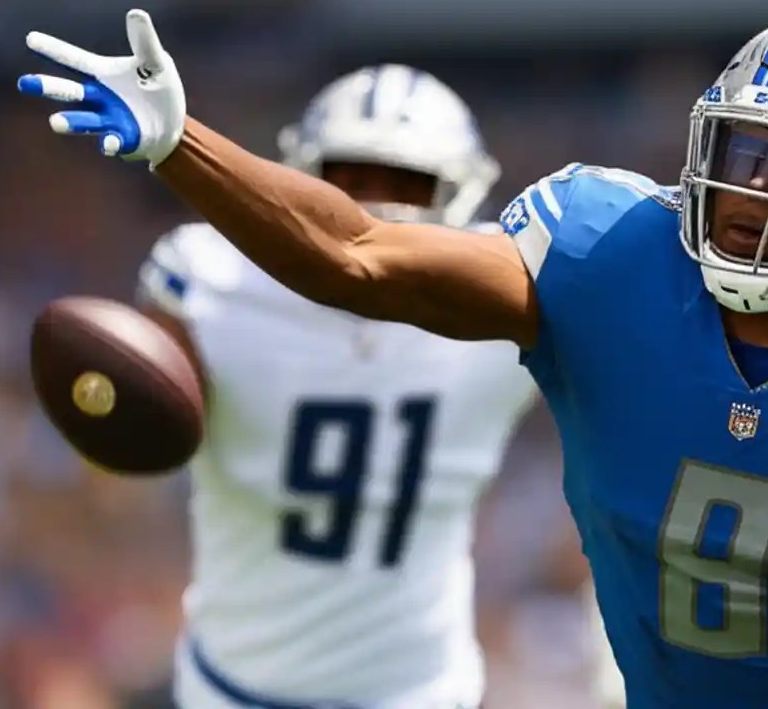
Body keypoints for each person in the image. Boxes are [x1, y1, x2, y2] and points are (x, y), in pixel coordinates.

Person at [17, 8, 768, 708]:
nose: (753, 193)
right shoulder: (603, 254)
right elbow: (366, 255)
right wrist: (186, 146)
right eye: (744, 153)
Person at [135, 63, 537, 708]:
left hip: (416, 692)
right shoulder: (209, 279)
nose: (370, 212)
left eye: (407, 184)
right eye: (349, 181)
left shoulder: (510, 300)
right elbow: (135, 441)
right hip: (236, 689)